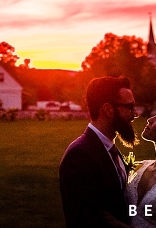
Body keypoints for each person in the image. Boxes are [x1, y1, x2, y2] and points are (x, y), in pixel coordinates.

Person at [59, 76, 138, 228]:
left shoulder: (110, 149)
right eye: (130, 107)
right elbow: (88, 218)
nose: (135, 114)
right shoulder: (79, 155)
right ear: (108, 110)